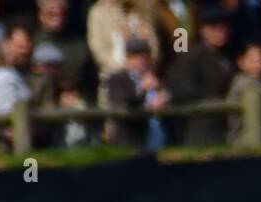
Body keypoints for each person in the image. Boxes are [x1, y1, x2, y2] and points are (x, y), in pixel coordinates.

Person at [167, 4, 235, 145]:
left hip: (224, 128)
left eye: (223, 27)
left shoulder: (228, 55)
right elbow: (181, 89)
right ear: (203, 30)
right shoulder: (192, 57)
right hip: (199, 130)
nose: (221, 31)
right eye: (215, 28)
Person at [105, 35, 169, 148]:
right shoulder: (117, 79)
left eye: (145, 56)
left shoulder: (158, 77)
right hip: (132, 140)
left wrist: (164, 98)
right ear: (127, 58)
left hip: (159, 137)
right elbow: (123, 103)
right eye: (136, 56)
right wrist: (142, 89)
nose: (141, 60)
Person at [34, 0, 93, 98]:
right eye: (51, 13)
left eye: (62, 14)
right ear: (41, 14)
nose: (58, 19)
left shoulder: (78, 45)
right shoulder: (32, 41)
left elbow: (82, 75)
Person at [87, 0, 159, 77]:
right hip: (116, 76)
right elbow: (100, 53)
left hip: (146, 74)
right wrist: (126, 63)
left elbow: (154, 47)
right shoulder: (97, 14)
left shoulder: (139, 8)